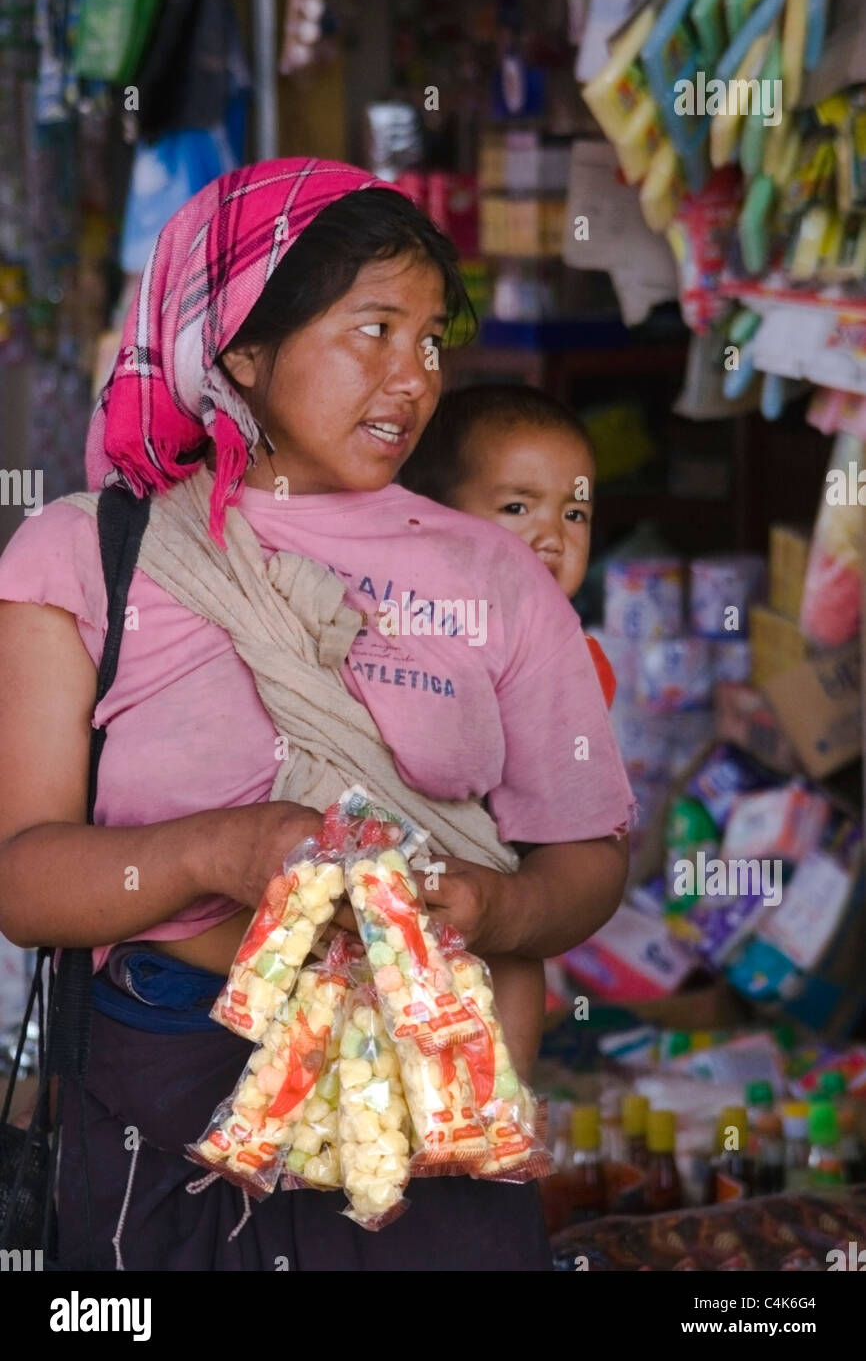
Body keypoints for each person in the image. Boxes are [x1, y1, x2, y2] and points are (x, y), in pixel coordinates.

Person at [0, 159, 634, 1272]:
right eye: (373, 330)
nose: (411, 378)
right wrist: (215, 850)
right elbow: (22, 879)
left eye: (431, 339)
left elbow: (587, 854)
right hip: (167, 1104)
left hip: (429, 1111)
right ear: (242, 345)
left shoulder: (492, 576)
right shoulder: (86, 554)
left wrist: (497, 903)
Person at [400, 383, 616, 704]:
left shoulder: (580, 666)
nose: (553, 538)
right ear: (432, 520)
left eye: (574, 514)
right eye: (516, 508)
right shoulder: (392, 636)